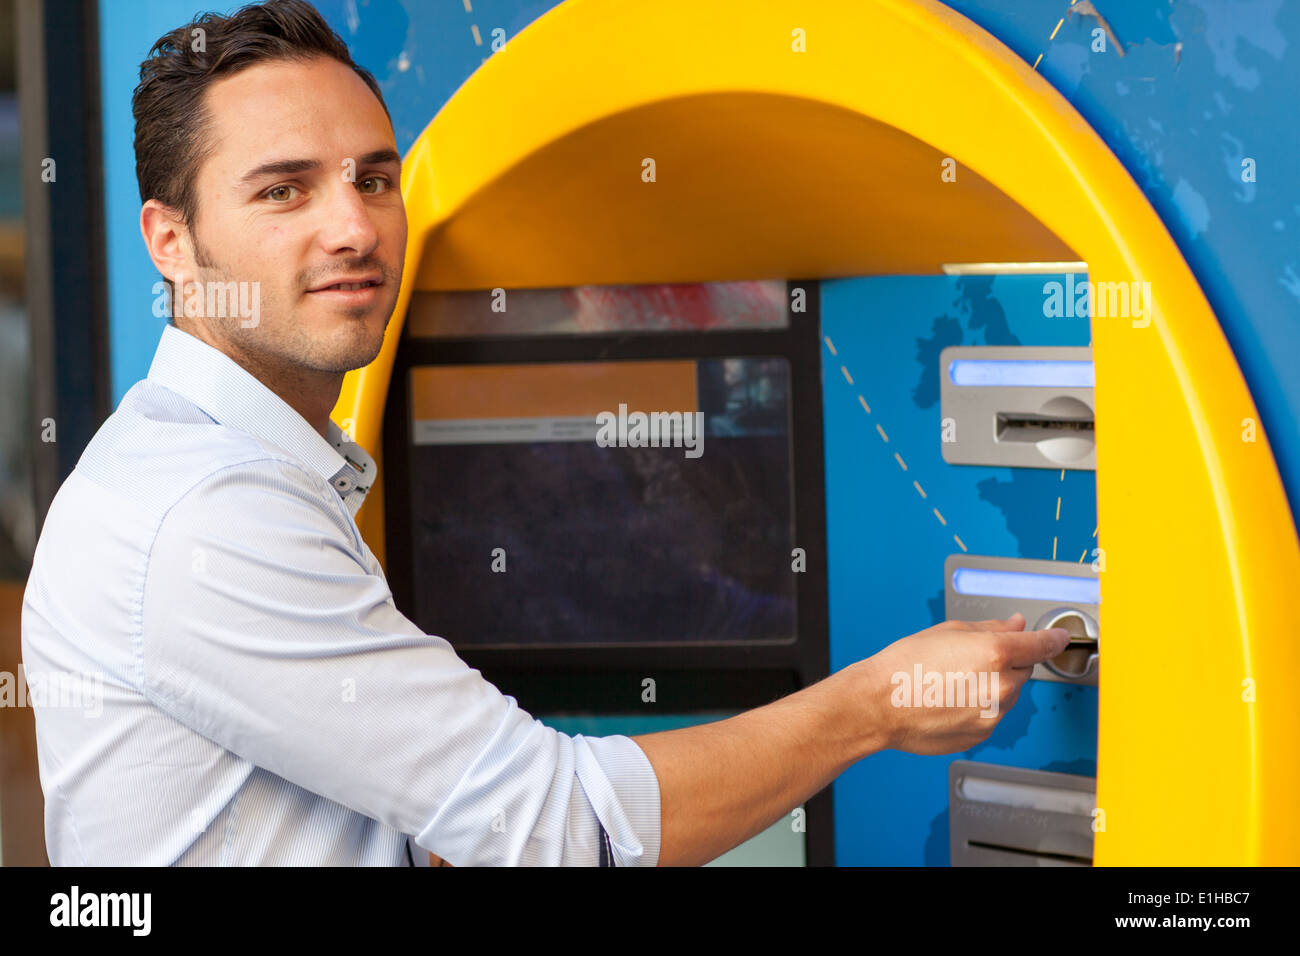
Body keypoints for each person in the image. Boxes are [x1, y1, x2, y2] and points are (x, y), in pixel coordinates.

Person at [20, 0, 1070, 867]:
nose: (353, 227)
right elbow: (561, 830)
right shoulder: (207, 510)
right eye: (283, 190)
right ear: (171, 240)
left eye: (373, 179)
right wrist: (877, 705)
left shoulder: (234, 466)